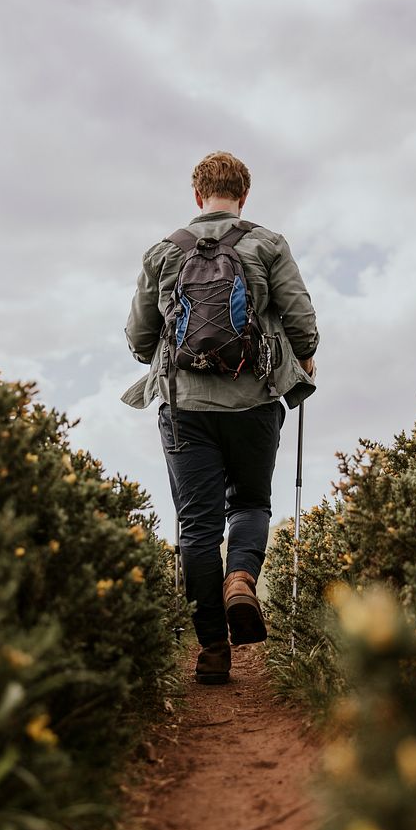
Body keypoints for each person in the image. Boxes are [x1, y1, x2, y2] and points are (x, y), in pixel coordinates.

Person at [122, 151, 318, 684]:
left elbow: (141, 341)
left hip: (184, 408)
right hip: (253, 400)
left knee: (197, 525)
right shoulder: (267, 243)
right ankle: (241, 580)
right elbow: (301, 320)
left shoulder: (163, 252)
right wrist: (305, 353)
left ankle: (211, 649)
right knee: (251, 502)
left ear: (197, 195)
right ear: (244, 196)